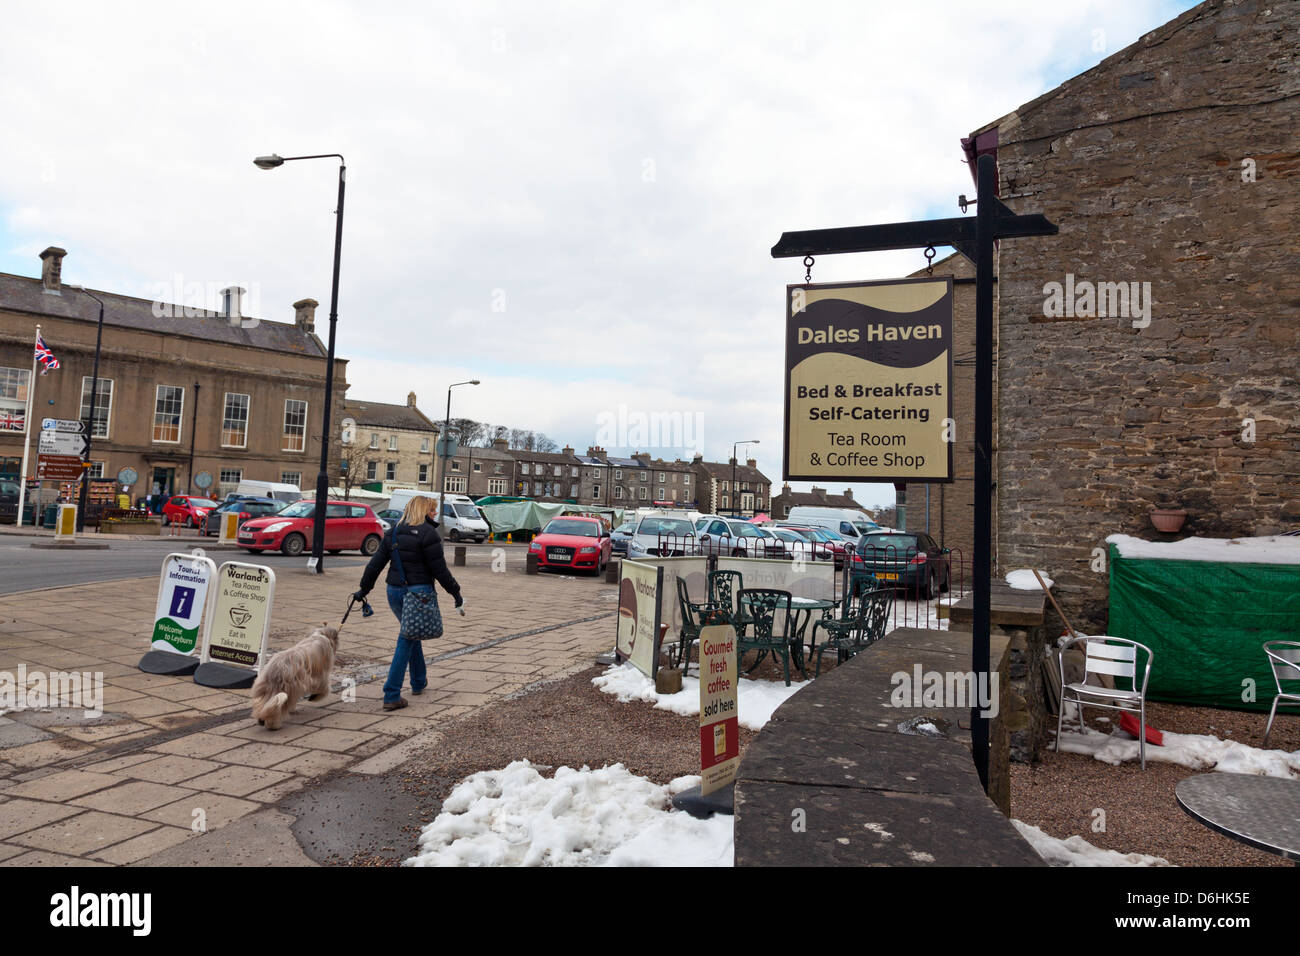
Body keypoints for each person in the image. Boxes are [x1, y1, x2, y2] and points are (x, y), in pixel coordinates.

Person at [354, 495, 464, 711]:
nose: (435, 514)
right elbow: (439, 571)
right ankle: (391, 693)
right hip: (418, 593)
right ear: (423, 511)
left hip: (393, 591)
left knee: (411, 633)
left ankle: (418, 681)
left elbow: (375, 565)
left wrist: (363, 589)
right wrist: (456, 593)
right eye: (432, 510)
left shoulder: (393, 532)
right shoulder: (427, 534)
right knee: (406, 639)